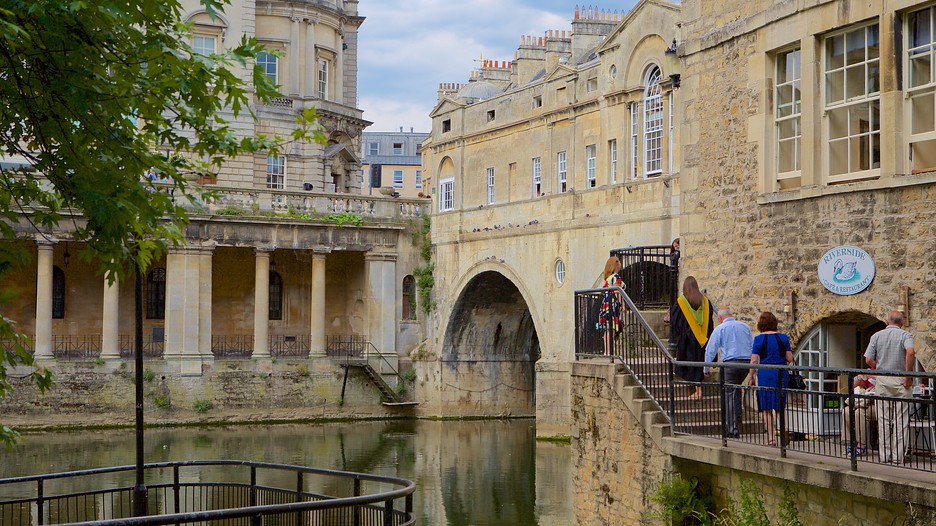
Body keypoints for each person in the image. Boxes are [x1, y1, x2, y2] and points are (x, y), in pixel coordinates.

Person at [864, 310, 915, 464]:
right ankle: (898, 457)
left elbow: (867, 360)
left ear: (887, 321)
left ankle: (884, 456)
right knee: (901, 420)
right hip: (900, 380)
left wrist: (878, 367)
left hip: (883, 379)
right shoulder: (906, 336)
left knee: (884, 419)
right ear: (902, 322)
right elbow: (910, 352)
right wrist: (908, 376)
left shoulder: (876, 336)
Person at [704, 307, 753, 438]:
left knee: (730, 395)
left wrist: (706, 368)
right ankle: (737, 421)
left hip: (730, 363)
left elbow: (710, 350)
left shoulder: (720, 329)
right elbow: (751, 346)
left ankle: (733, 429)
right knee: (736, 391)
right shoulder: (744, 326)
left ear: (720, 318)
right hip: (745, 362)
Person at [748, 311, 793, 446]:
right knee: (780, 405)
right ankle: (784, 429)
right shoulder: (783, 338)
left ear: (761, 324)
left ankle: (771, 438)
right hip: (780, 373)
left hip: (765, 374)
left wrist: (751, 377)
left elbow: (754, 361)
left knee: (766, 407)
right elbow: (789, 358)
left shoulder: (758, 339)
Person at [668, 276, 714, 399]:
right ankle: (699, 389)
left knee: (692, 363)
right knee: (700, 361)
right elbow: (710, 322)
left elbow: (676, 322)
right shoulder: (705, 301)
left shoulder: (682, 302)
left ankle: (698, 391)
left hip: (688, 340)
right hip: (703, 338)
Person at [842, 374, 876, 456]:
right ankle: (851, 442)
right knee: (847, 411)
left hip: (877, 404)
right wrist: (859, 377)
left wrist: (873, 377)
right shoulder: (869, 370)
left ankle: (862, 444)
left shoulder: (883, 368)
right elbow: (852, 385)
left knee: (860, 412)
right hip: (865, 401)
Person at [596, 256, 623, 356]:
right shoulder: (616, 277)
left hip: (606, 304)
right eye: (619, 262)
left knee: (607, 329)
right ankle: (609, 351)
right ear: (615, 265)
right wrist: (622, 305)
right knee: (612, 329)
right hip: (612, 304)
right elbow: (617, 291)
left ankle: (606, 351)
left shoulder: (608, 278)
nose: (620, 264)